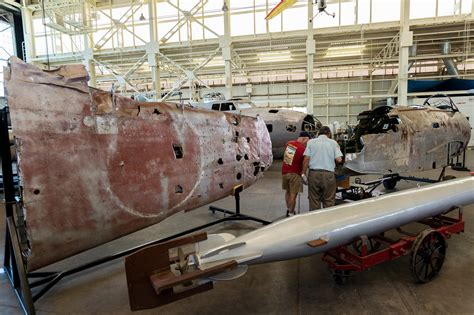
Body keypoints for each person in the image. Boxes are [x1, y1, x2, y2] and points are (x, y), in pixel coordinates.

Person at [302, 126, 343, 210]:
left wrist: (303, 173)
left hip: (313, 174)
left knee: (314, 200)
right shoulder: (333, 143)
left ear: (318, 133)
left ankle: (316, 222)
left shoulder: (311, 142)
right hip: (328, 175)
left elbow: (306, 158)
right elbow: (339, 160)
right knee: (329, 201)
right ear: (329, 134)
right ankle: (327, 221)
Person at [282, 131, 311, 217]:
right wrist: (303, 173)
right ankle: (291, 213)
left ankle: (288, 209)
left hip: (285, 172)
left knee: (288, 192)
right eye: (307, 141)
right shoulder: (303, 149)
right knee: (293, 195)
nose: (307, 143)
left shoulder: (289, 144)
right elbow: (306, 160)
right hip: (295, 174)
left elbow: (289, 159)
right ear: (304, 138)